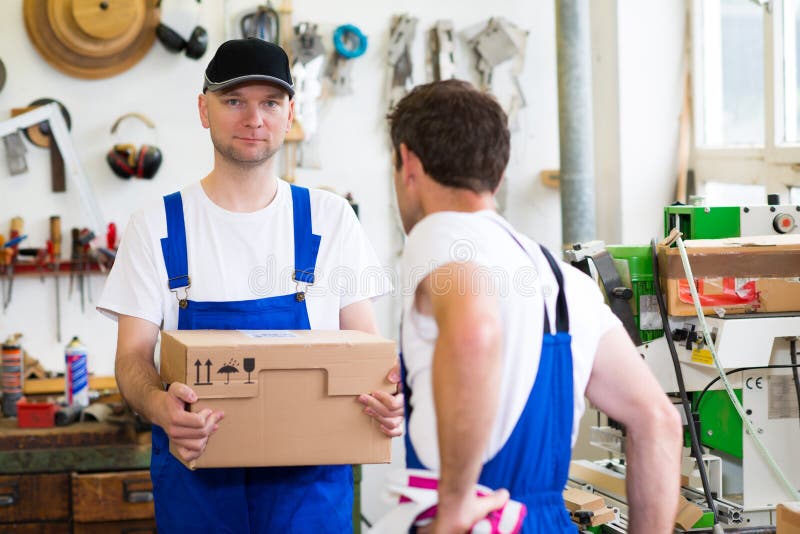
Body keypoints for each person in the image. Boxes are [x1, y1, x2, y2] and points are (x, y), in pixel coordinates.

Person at [97, 38, 403, 533]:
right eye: (234, 100)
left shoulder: (332, 220)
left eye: (270, 103)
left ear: (289, 113)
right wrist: (159, 406)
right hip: (197, 491)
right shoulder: (155, 226)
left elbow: (366, 354)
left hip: (310, 495)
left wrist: (388, 397)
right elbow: (131, 359)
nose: (253, 118)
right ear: (203, 109)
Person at [387, 79, 683, 533]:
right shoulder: (562, 279)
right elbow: (659, 421)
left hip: (476, 521)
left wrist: (455, 506)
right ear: (498, 174)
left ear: (407, 162)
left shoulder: (438, 234)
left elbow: (474, 332)